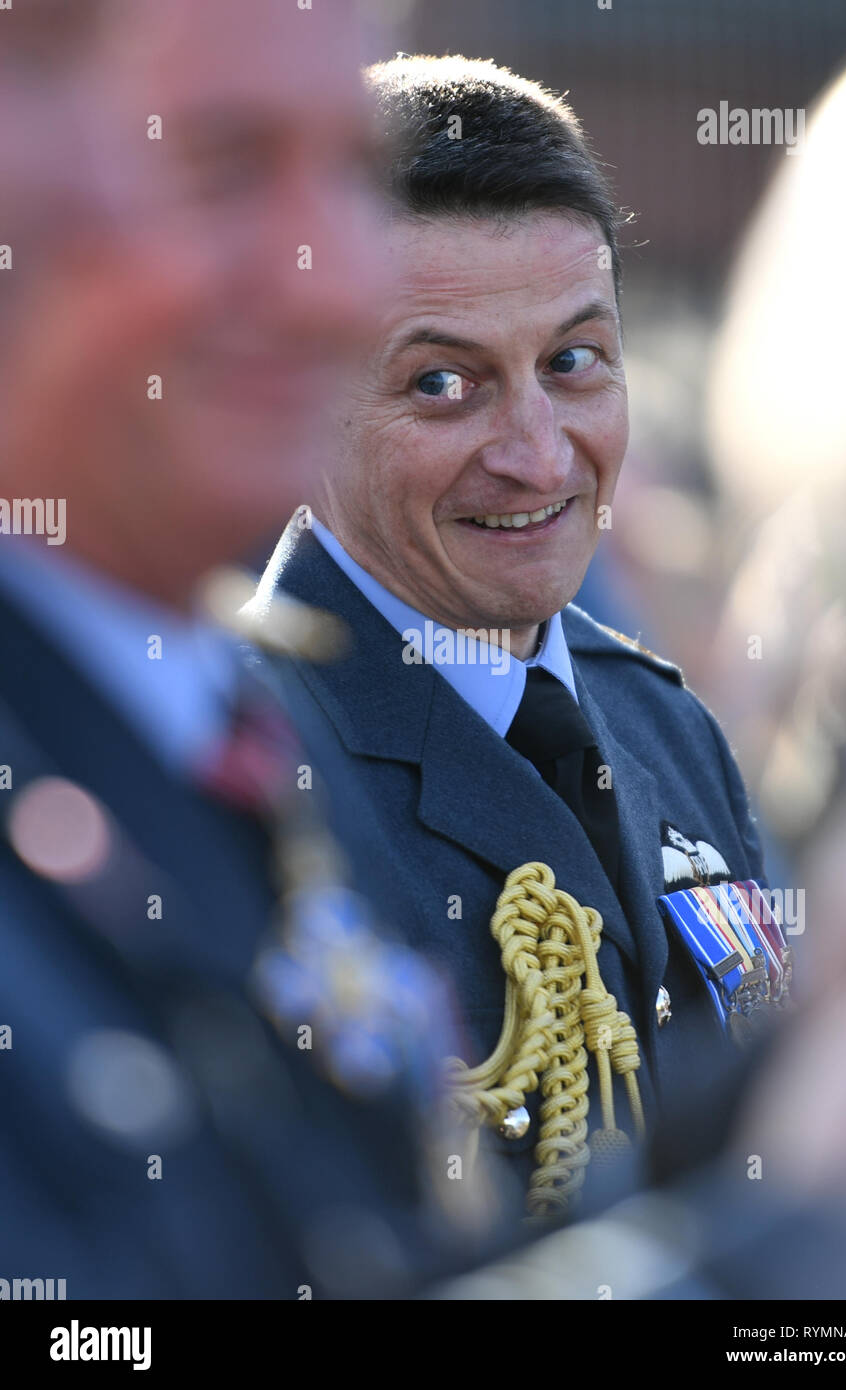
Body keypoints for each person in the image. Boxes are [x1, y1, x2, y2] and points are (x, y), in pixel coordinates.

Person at [0, 2, 491, 1299]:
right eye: (218, 169)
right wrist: (800, 1239)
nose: (335, 282)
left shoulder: (310, 721)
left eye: (354, 173)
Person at [252, 55, 778, 1220]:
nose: (538, 455)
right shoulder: (252, 763)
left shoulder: (659, 717)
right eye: (443, 383)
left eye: (571, 364)